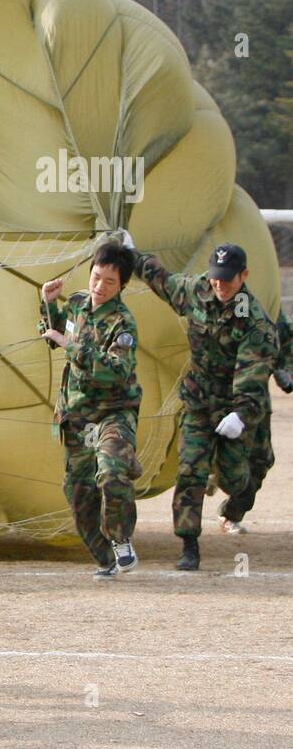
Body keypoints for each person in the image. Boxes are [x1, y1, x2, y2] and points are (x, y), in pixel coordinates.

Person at [122, 234, 277, 570]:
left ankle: (235, 501)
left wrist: (240, 414)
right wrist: (131, 252)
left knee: (236, 480)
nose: (220, 284)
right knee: (190, 468)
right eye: (216, 276)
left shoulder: (255, 321)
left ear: (244, 276)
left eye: (228, 278)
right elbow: (161, 280)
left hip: (238, 407)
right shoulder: (197, 291)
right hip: (198, 402)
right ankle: (189, 546)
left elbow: (251, 374)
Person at [39, 241, 142, 579]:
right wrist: (49, 305)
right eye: (96, 277)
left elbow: (114, 370)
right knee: (80, 495)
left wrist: (74, 347)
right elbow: (54, 337)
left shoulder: (123, 324)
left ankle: (120, 536)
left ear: (122, 286)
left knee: (111, 473)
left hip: (114, 412)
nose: (99, 287)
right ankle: (105, 559)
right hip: (76, 415)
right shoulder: (78, 305)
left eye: (109, 282)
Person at [214, 306, 291, 535]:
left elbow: (284, 342)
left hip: (255, 401)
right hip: (215, 397)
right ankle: (212, 470)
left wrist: (285, 371)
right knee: (199, 460)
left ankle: (230, 514)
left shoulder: (267, 304)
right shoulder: (212, 299)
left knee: (260, 460)